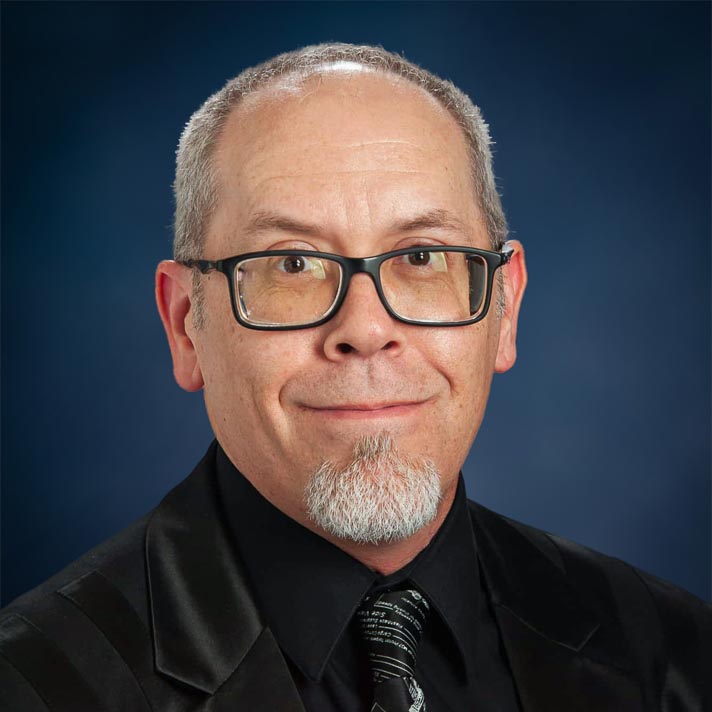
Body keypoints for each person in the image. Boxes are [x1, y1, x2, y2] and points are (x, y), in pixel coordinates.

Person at [1, 42, 709, 712]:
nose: (366, 330)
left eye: (423, 257)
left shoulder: (674, 657)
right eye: (292, 264)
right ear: (187, 324)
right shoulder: (32, 684)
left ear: (505, 307)